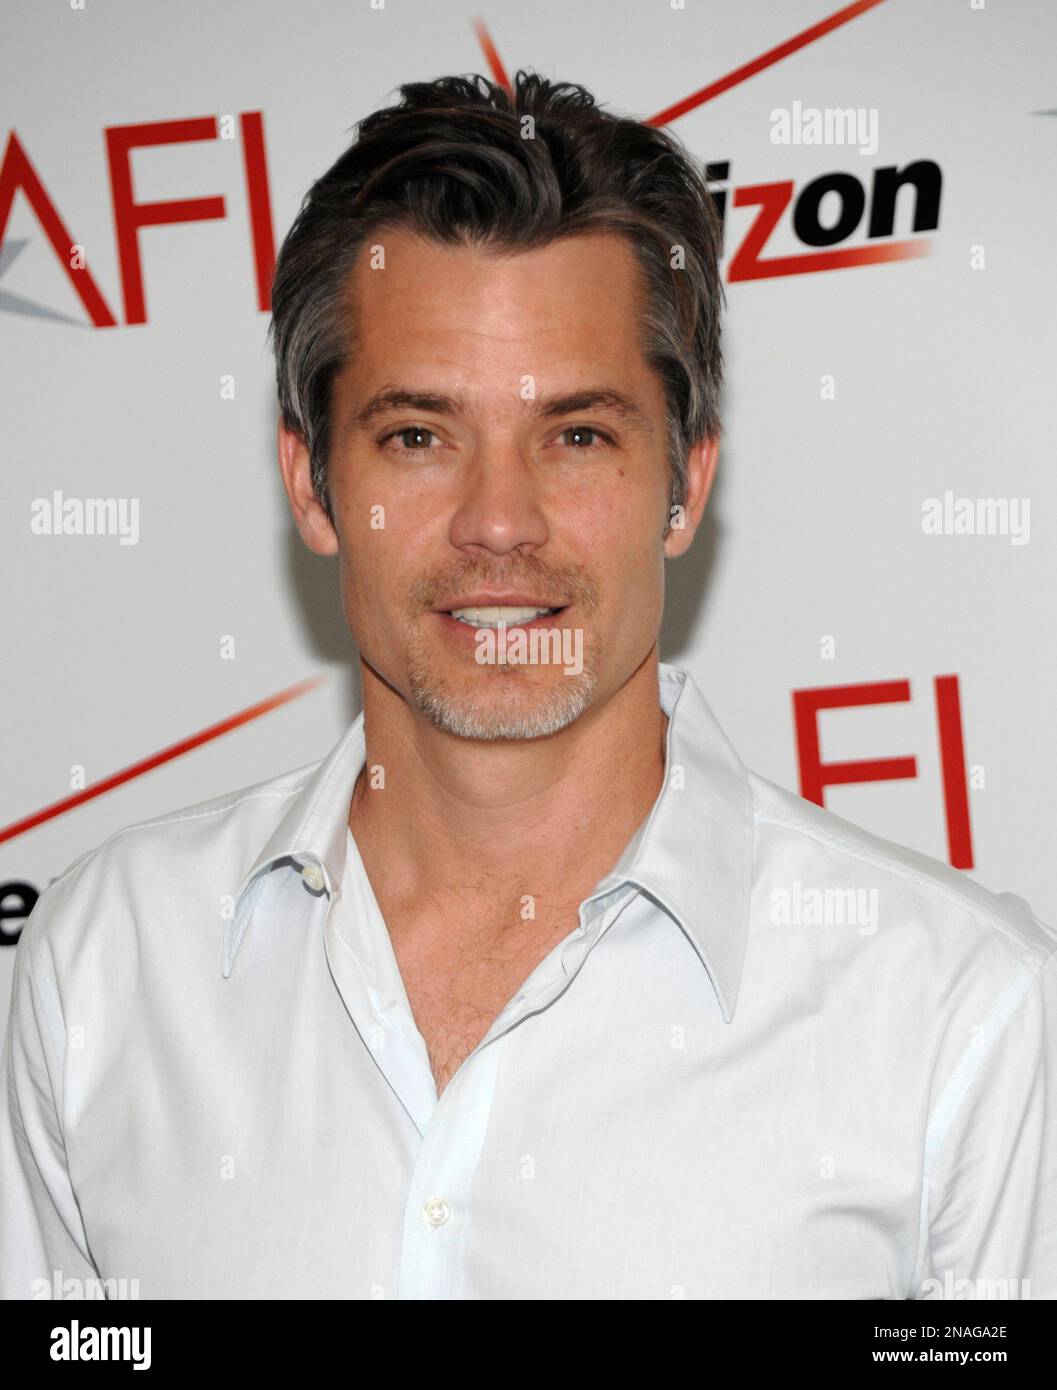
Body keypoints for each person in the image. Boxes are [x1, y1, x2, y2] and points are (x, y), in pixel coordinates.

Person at [1, 71, 1053, 1301]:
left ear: (687, 482)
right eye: (418, 435)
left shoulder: (951, 1012)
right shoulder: (108, 965)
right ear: (310, 482)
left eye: (578, 435)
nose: (498, 524)